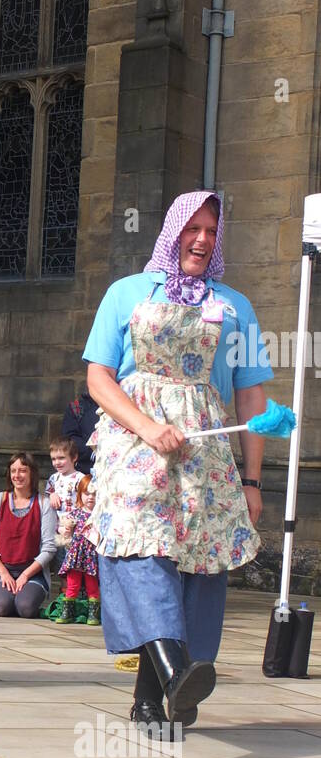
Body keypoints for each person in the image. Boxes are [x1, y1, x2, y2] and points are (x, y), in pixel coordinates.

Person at [84, 190, 271, 729]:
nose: (203, 239)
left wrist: (252, 480)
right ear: (172, 231)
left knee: (194, 564)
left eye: (212, 231)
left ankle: (157, 697)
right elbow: (98, 377)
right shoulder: (126, 293)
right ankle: (174, 670)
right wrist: (146, 426)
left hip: (205, 455)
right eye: (193, 227)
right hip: (133, 443)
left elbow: (252, 398)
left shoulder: (234, 306)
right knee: (140, 552)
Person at [0, 452, 58, 619]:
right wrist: (4, 574)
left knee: (26, 609)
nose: (17, 475)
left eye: (22, 470)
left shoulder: (44, 504)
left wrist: (25, 575)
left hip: (31, 572)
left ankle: (21, 597)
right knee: (2, 607)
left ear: (32, 473)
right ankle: (0, 595)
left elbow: (49, 548)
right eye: (13, 470)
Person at [55, 474, 100, 625]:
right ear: (80, 494)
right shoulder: (76, 513)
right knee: (72, 584)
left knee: (92, 585)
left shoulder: (100, 516)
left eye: (95, 494)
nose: (91, 497)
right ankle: (68, 611)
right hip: (75, 554)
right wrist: (65, 530)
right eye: (87, 493)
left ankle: (93, 613)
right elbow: (62, 527)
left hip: (91, 556)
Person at [62, 386, 100, 474]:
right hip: (85, 470)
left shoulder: (117, 406)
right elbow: (70, 438)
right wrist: (93, 452)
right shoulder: (77, 407)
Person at [46, 437, 82, 515]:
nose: (57, 462)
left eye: (61, 458)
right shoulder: (53, 478)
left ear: (74, 457)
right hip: (54, 521)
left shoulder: (80, 479)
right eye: (53, 459)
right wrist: (52, 495)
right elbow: (47, 497)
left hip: (73, 521)